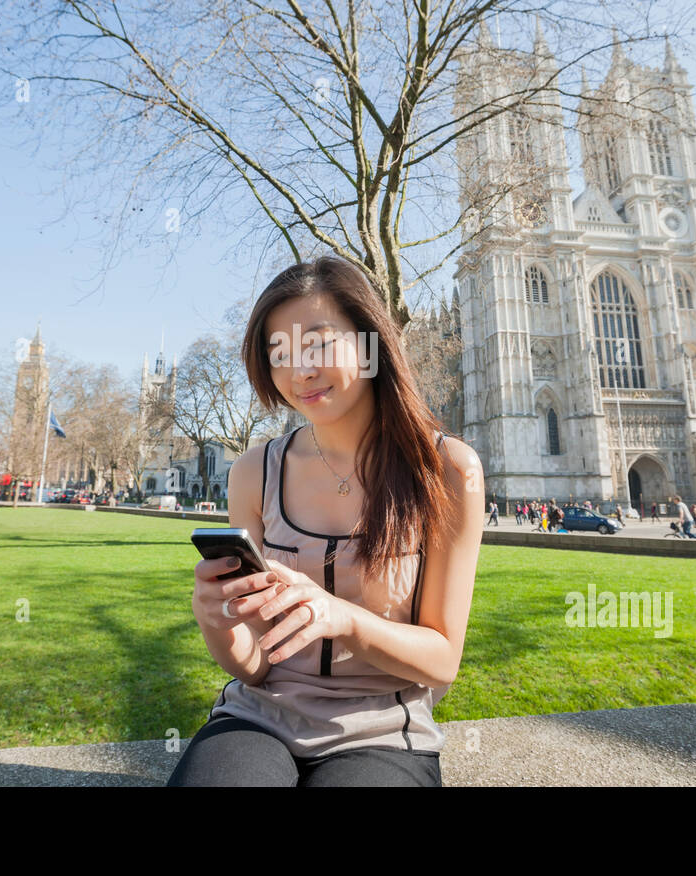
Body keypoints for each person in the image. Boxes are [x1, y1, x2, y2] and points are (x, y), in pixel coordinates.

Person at [168, 256, 482, 788]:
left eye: (317, 344)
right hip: (257, 720)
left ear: (369, 342)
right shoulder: (253, 472)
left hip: (383, 732)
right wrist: (217, 620)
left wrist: (343, 619)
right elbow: (254, 666)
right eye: (279, 355)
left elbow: (442, 660)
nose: (300, 372)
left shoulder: (447, 470)